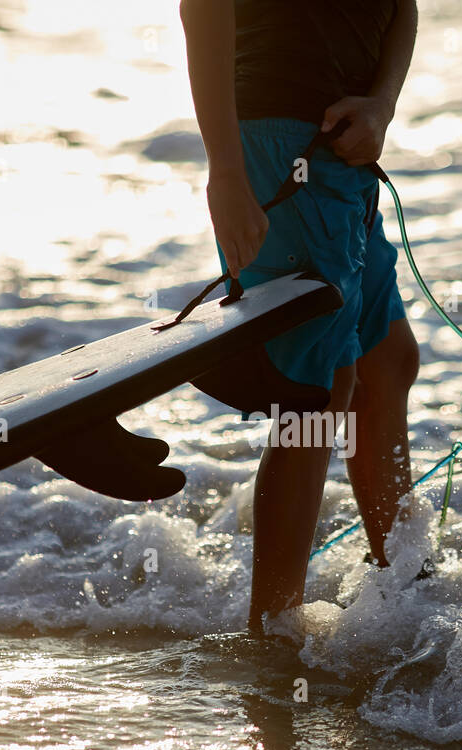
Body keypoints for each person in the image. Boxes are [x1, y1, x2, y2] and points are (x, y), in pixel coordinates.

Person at [180, 0, 420, 636]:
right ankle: (274, 629)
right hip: (278, 144)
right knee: (315, 397)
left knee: (388, 359)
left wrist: (382, 104)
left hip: (346, 149)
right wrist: (226, 174)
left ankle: (403, 583)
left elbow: (403, 8)